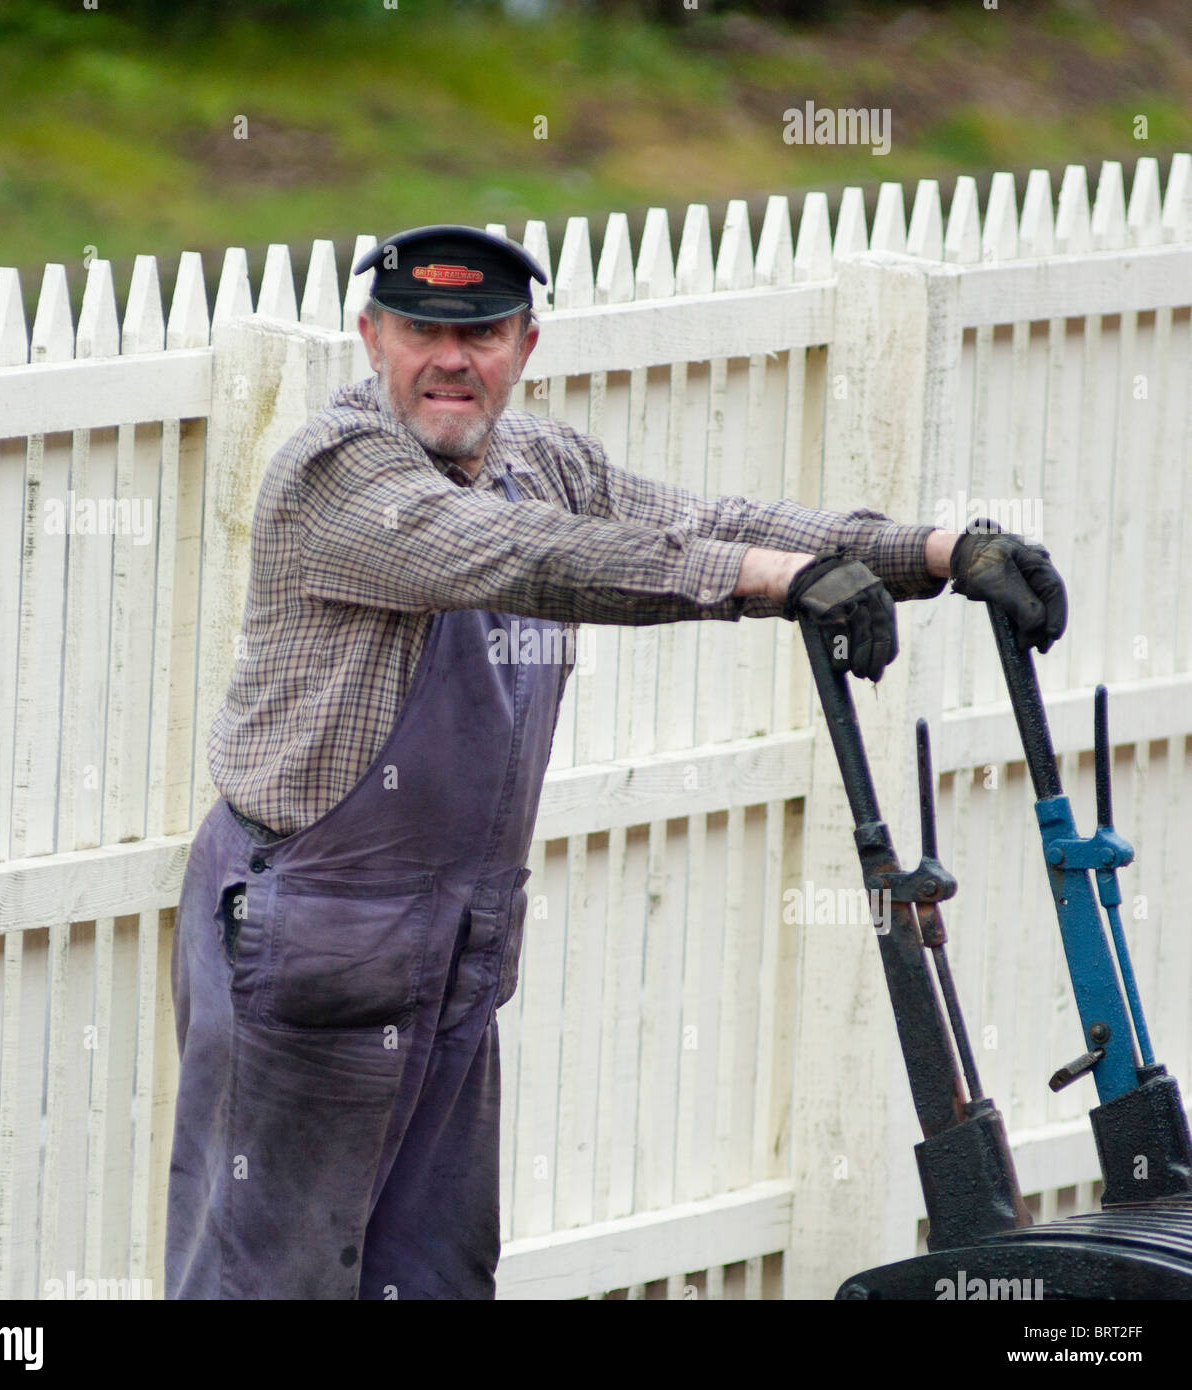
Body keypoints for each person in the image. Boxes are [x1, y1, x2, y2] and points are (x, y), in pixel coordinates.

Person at [164, 224, 1066, 1301]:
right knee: (268, 1281)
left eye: (483, 332)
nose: (452, 357)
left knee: (435, 1275)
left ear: (526, 345)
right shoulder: (338, 473)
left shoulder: (541, 463)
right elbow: (534, 560)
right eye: (422, 330)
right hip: (314, 940)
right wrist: (777, 583)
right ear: (370, 337)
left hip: (449, 954)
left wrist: (936, 553)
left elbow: (702, 520)